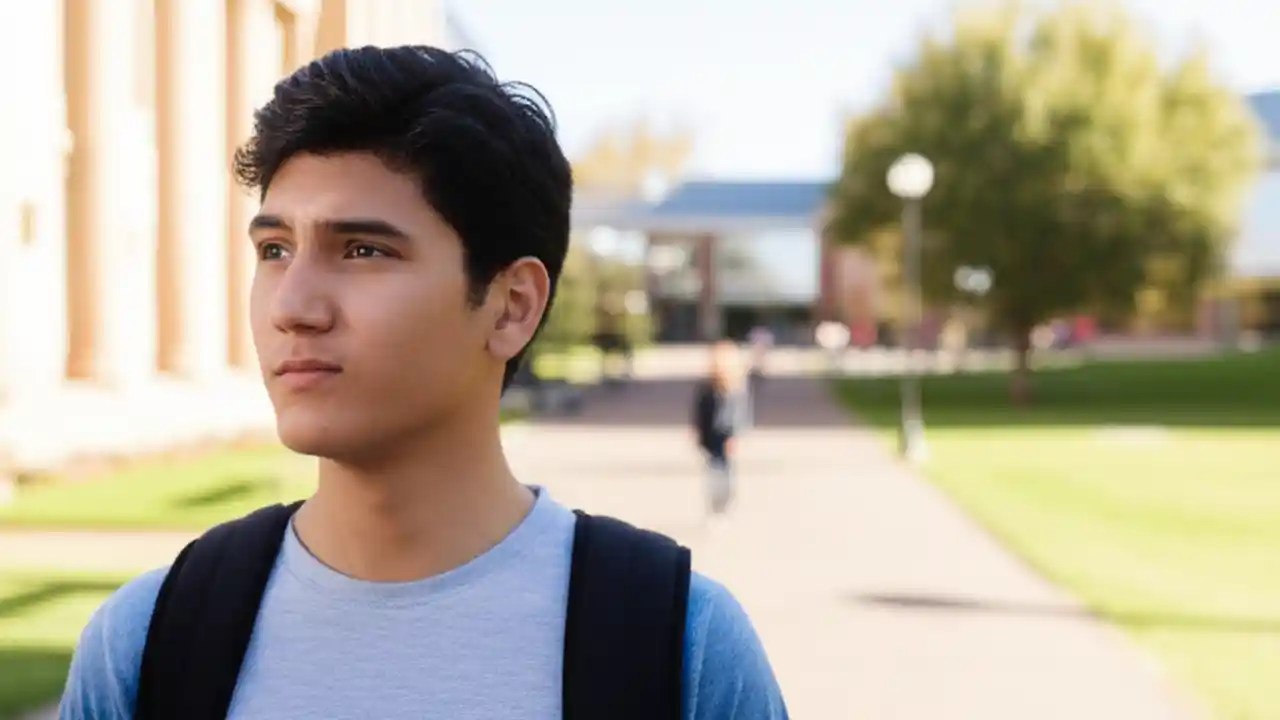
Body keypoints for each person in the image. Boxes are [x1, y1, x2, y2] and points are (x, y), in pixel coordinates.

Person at [60, 46, 786, 719]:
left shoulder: (677, 647)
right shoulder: (151, 644)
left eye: (364, 249)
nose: (292, 307)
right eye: (275, 249)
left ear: (512, 306)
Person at [692, 342, 749, 517]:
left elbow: (740, 413)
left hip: (726, 434)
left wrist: (736, 434)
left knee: (724, 468)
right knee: (714, 467)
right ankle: (715, 502)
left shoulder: (735, 388)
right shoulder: (707, 386)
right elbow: (700, 410)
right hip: (710, 434)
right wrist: (697, 431)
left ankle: (724, 500)